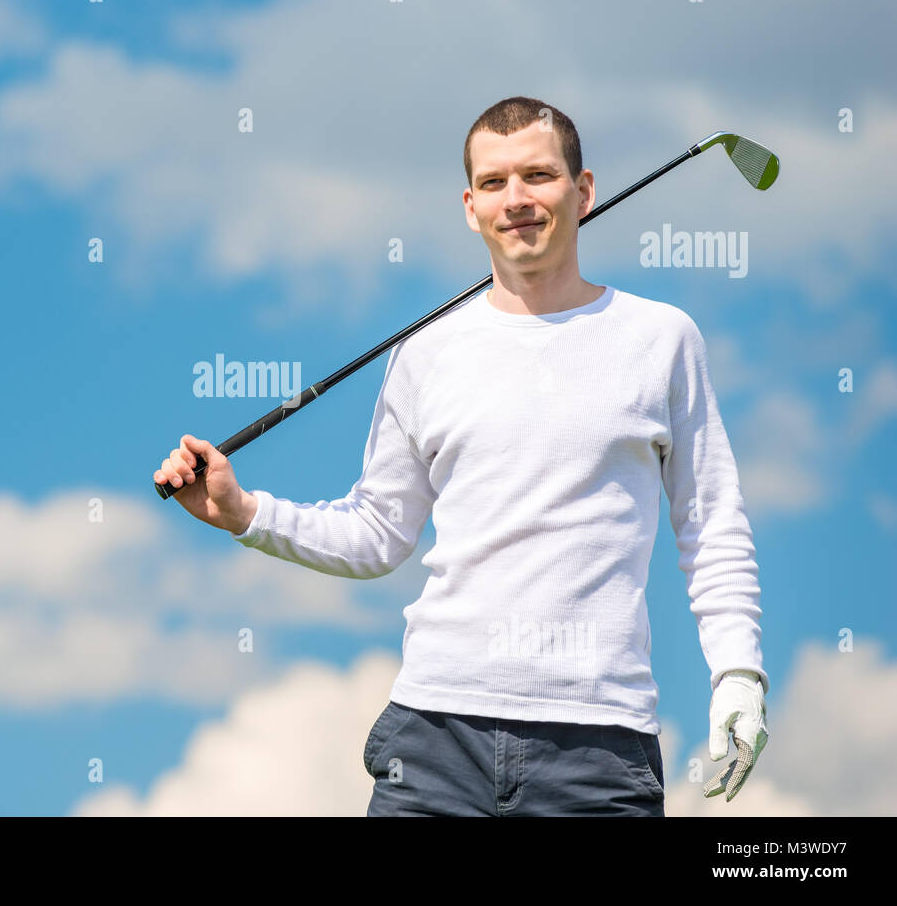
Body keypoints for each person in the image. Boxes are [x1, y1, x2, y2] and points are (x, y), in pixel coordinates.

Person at [152, 96, 769, 816]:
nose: (519, 200)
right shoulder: (425, 354)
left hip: (599, 751)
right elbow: (378, 532)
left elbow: (711, 523)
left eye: (539, 175)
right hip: (435, 737)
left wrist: (738, 673)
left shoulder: (662, 339)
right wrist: (243, 511)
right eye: (498, 183)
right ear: (471, 206)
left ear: (585, 189)